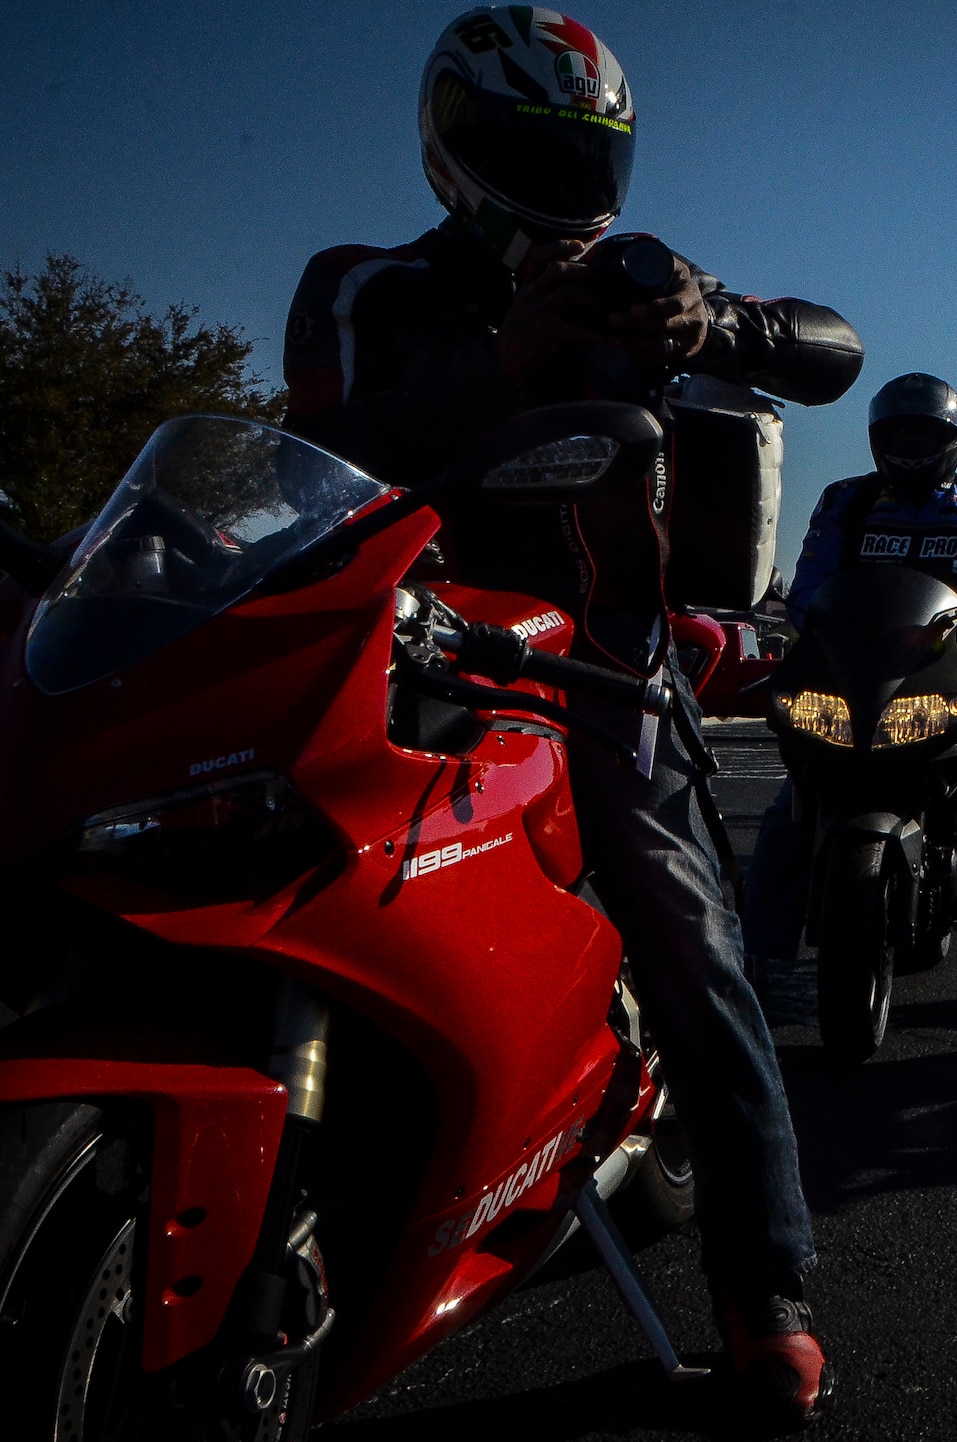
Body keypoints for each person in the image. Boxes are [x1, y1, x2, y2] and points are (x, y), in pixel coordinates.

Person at [279, 10, 856, 1422]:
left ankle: (768, 1293)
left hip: (597, 675)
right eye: (527, 151)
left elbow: (831, 348)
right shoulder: (362, 285)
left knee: (697, 950)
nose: (560, 185)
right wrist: (498, 362)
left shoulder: (636, 281)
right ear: (450, 145)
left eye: (582, 157)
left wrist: (713, 320)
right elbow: (311, 462)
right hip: (395, 652)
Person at [742, 374, 957, 1006]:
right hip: (856, 676)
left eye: (925, 436)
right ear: (878, 439)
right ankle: (753, 952)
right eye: (899, 436)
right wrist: (826, 632)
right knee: (793, 804)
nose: (911, 447)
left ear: (952, 440)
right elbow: (811, 585)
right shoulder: (845, 501)